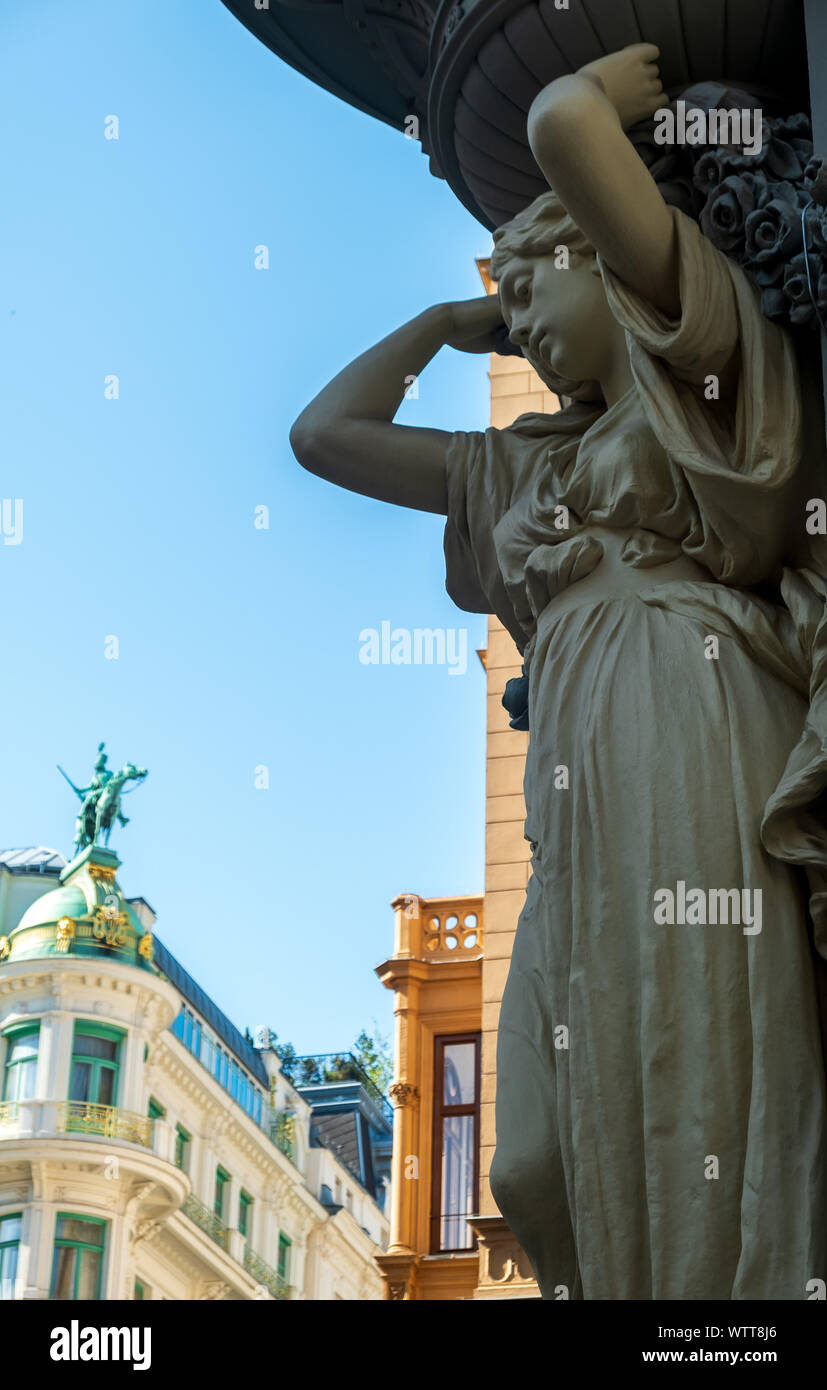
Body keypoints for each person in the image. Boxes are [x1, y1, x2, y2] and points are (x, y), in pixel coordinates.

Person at [291, 44, 827, 1299]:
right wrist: (443, 323)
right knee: (535, 1150)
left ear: (610, 258)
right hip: (580, 772)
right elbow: (324, 437)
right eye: (506, 301)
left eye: (535, 287)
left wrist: (581, 108)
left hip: (684, 705)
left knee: (695, 1065)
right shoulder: (522, 467)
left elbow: (561, 121)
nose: (519, 320)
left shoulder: (695, 366)